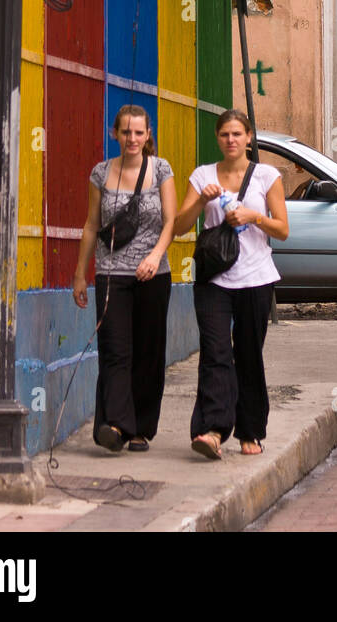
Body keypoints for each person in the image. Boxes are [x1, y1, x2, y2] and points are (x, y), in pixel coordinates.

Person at [173, 109, 289, 460]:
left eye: (237, 134)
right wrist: (202, 200)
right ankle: (211, 430)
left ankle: (250, 430)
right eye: (224, 134)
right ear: (218, 138)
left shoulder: (267, 176)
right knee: (215, 351)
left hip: (256, 277)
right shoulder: (202, 175)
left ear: (249, 137)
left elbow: (282, 230)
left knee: (249, 354)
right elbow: (179, 225)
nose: (231, 140)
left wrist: (253, 216)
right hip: (214, 278)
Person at [73, 105, 176, 453]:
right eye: (125, 132)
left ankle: (140, 429)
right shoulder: (100, 173)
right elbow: (91, 225)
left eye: (138, 132)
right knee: (115, 350)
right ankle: (115, 424)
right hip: (110, 275)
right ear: (114, 134)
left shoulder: (161, 170)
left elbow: (170, 223)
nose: (132, 138)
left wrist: (154, 256)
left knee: (148, 352)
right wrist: (79, 275)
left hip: (153, 275)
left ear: (148, 135)